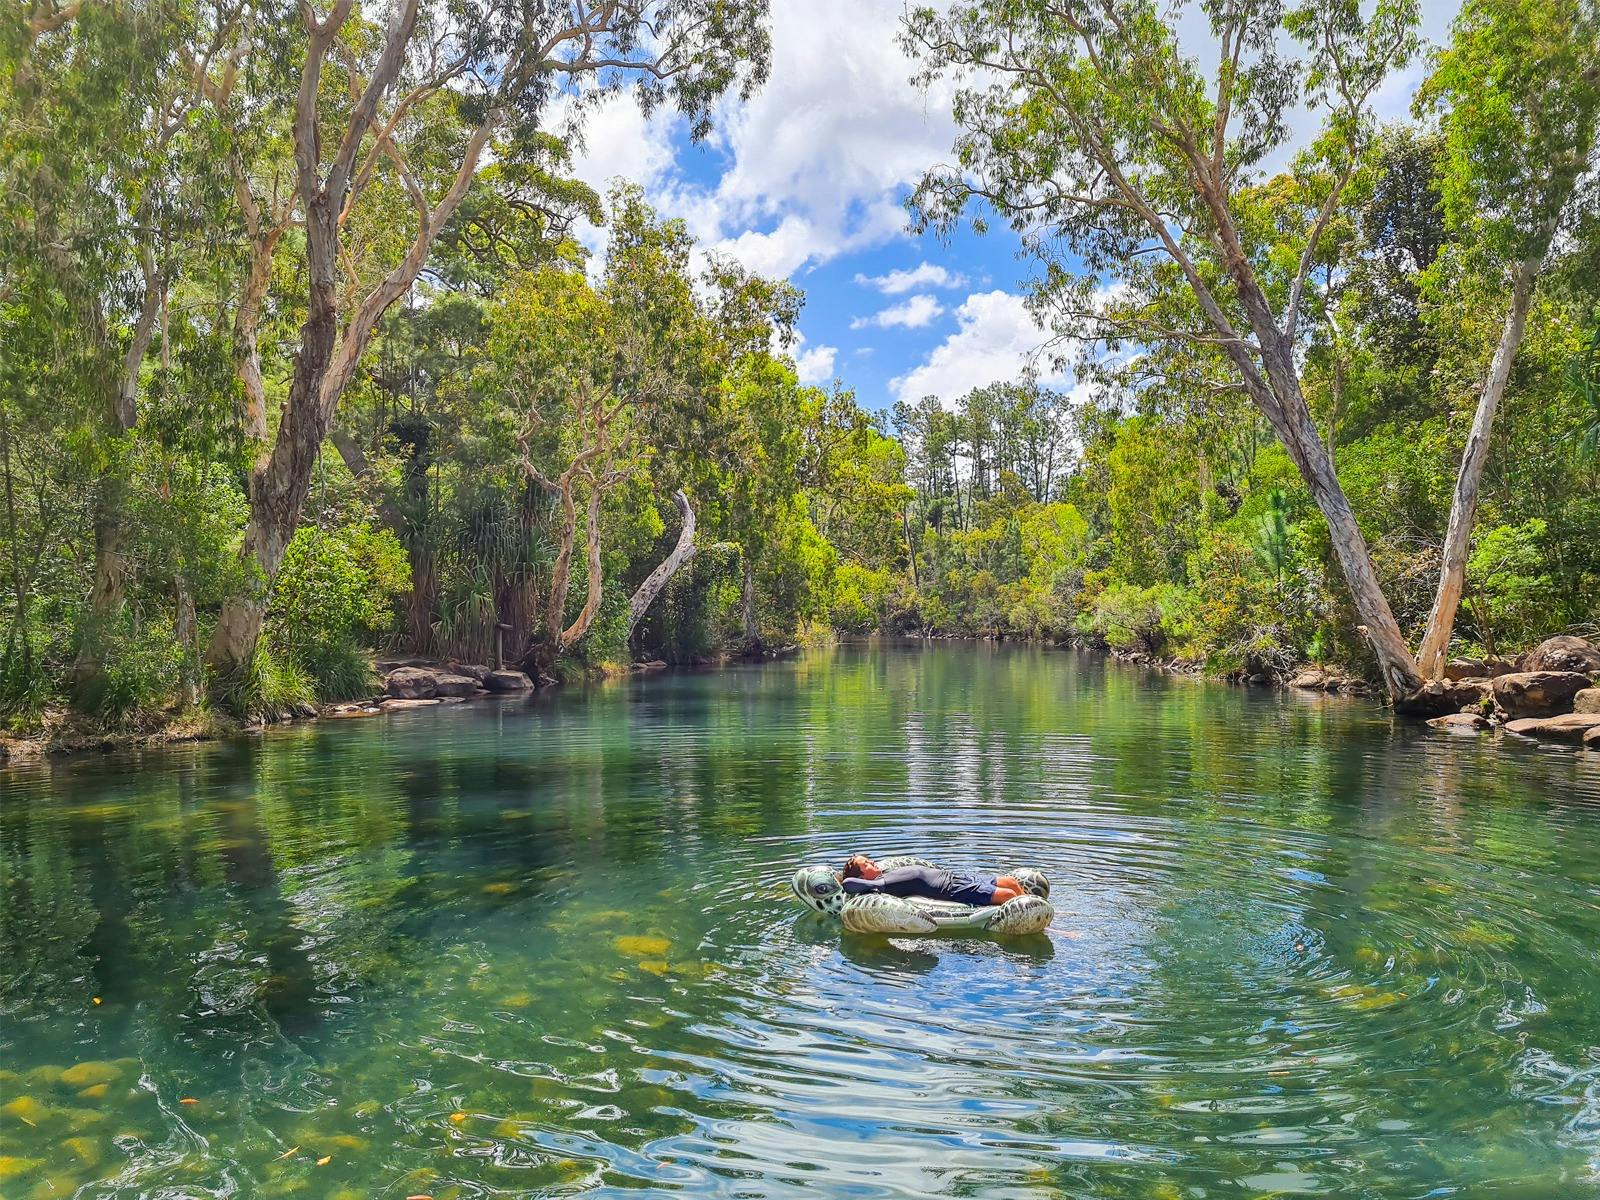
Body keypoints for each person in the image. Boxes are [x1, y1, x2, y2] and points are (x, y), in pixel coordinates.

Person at [838, 855, 1029, 906]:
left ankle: (1042, 915)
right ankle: (1045, 928)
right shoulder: (880, 884)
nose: (872, 862)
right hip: (950, 889)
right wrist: (869, 883)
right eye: (867, 864)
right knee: (1009, 895)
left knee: (1011, 881)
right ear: (862, 876)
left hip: (954, 876)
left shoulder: (885, 872)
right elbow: (848, 885)